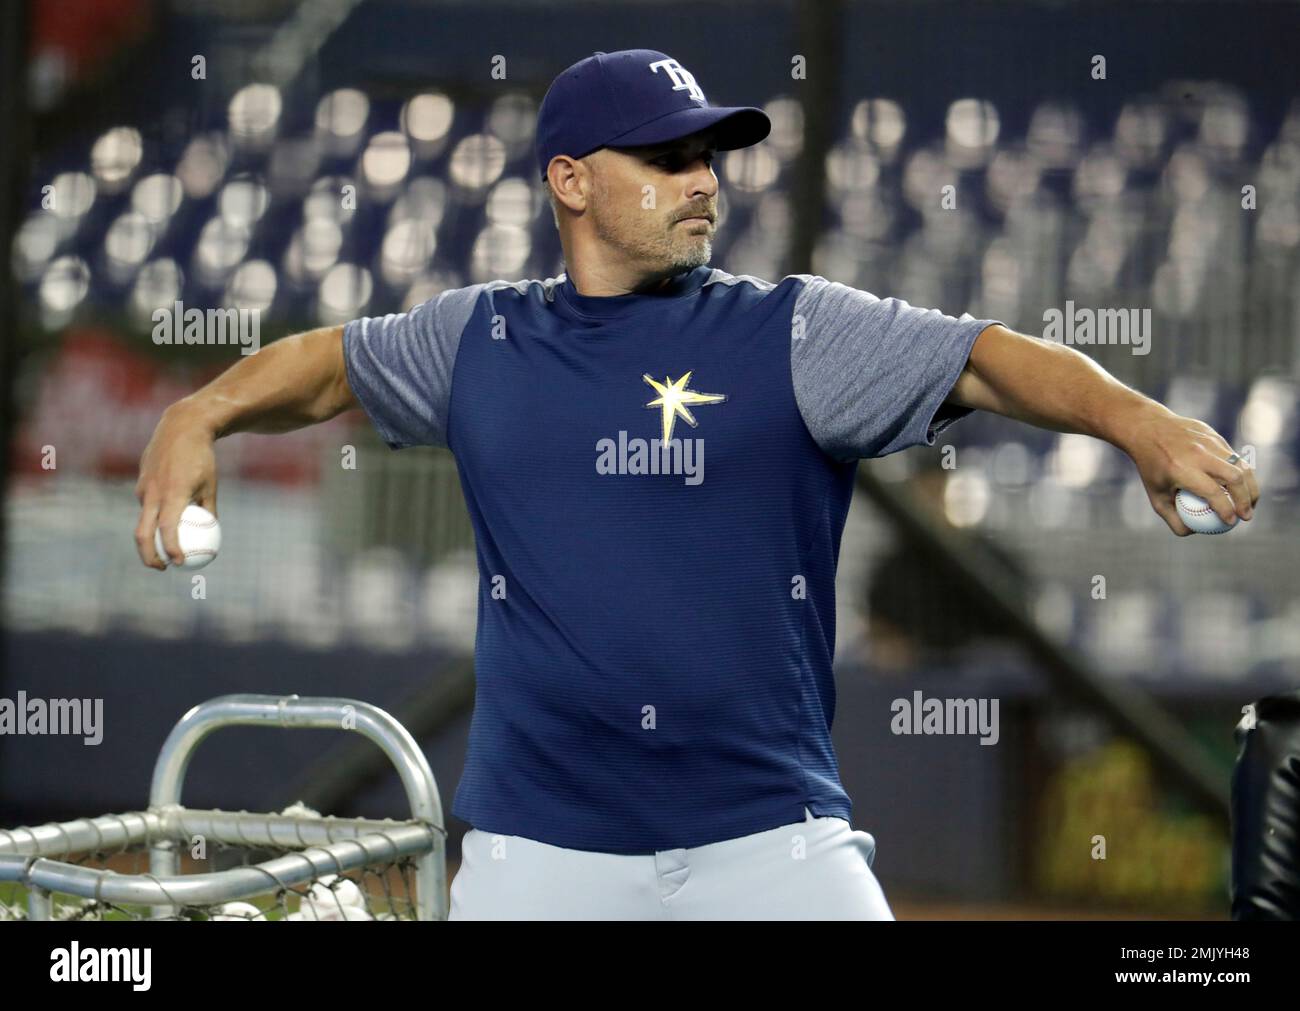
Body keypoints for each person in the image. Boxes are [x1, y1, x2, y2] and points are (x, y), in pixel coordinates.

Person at [136, 49, 1259, 920]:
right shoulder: (479, 341)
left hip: (768, 840)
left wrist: (1135, 420)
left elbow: (986, 356)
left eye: (709, 158)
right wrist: (201, 411)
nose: (702, 182)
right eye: (667, 159)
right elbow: (327, 362)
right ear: (570, 182)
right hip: (540, 856)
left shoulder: (794, 331)